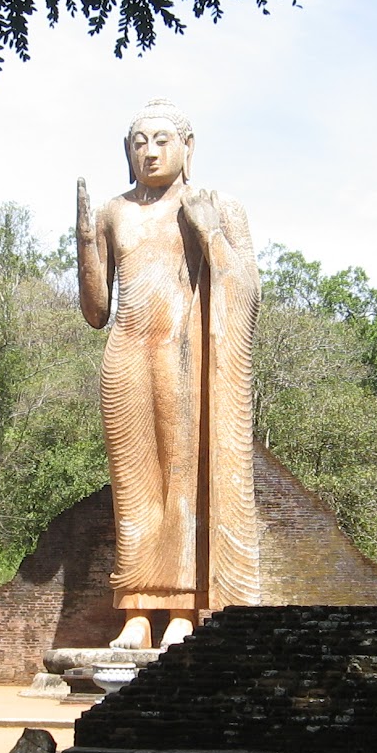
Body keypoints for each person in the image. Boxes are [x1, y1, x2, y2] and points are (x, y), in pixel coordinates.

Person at [77, 98, 262, 648]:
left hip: (184, 356)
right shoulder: (114, 212)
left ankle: (183, 608)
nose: (150, 152)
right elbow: (94, 311)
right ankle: (136, 610)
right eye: (139, 142)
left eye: (162, 140)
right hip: (126, 352)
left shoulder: (217, 205)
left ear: (188, 147)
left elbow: (248, 287)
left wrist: (209, 235)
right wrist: (87, 243)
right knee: (133, 489)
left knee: (184, 482)